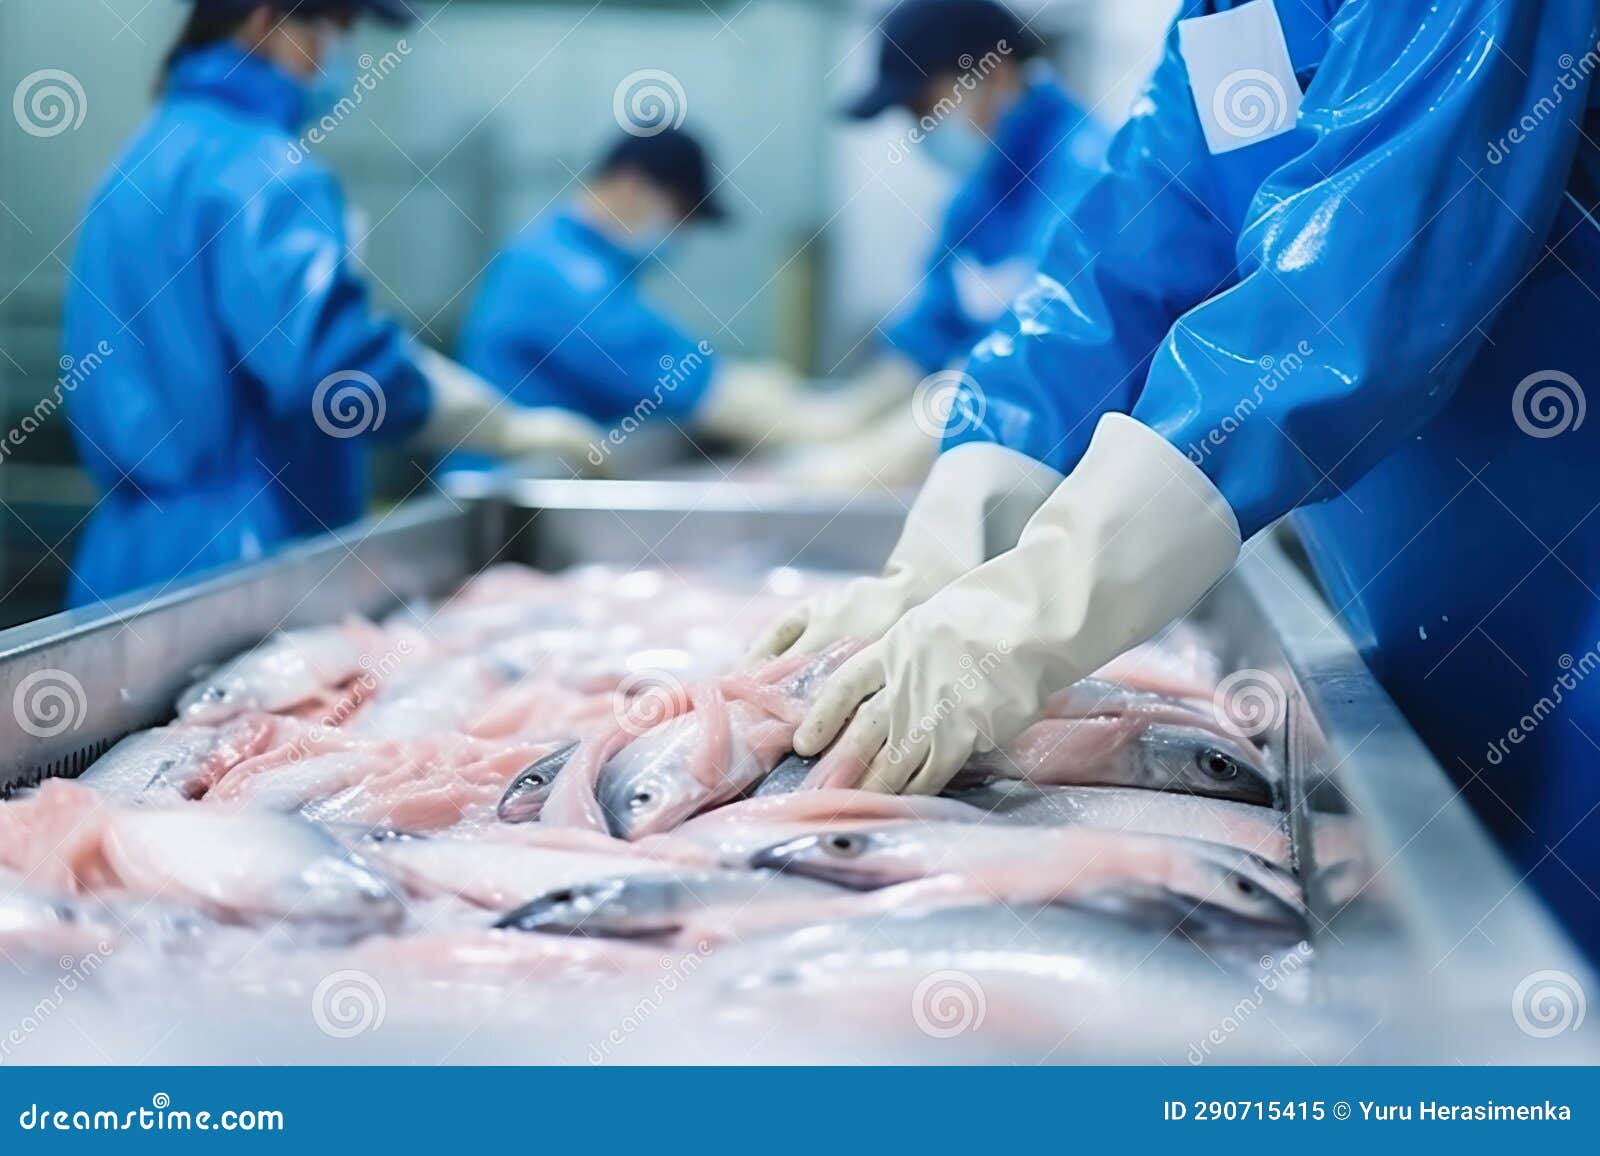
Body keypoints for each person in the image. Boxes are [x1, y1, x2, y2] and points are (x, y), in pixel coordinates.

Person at [754, 0, 1600, 956]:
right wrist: (950, 547)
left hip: (1563, 600)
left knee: (1543, 1004)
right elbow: (1123, 269)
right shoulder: (1232, 17)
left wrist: (1033, 609)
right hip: (1395, 602)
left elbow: (1355, 286)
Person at [63, 0, 598, 608]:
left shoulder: (138, 162)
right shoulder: (265, 169)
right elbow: (331, 367)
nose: (339, 56)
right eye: (335, 30)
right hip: (243, 563)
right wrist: (498, 423)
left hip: (123, 559)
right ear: (266, 22)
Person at [768, 0, 1108, 489]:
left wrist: (896, 452)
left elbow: (1044, 353)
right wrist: (848, 420)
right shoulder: (977, 198)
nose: (920, 130)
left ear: (994, 73)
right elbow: (928, 332)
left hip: (1061, 469)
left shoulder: (1087, 173)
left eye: (924, 108)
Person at [457, 128, 861, 467]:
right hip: (502, 489)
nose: (678, 234)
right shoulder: (556, 270)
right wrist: (824, 422)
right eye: (678, 214)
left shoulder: (591, 264)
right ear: (632, 185)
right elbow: (671, 377)